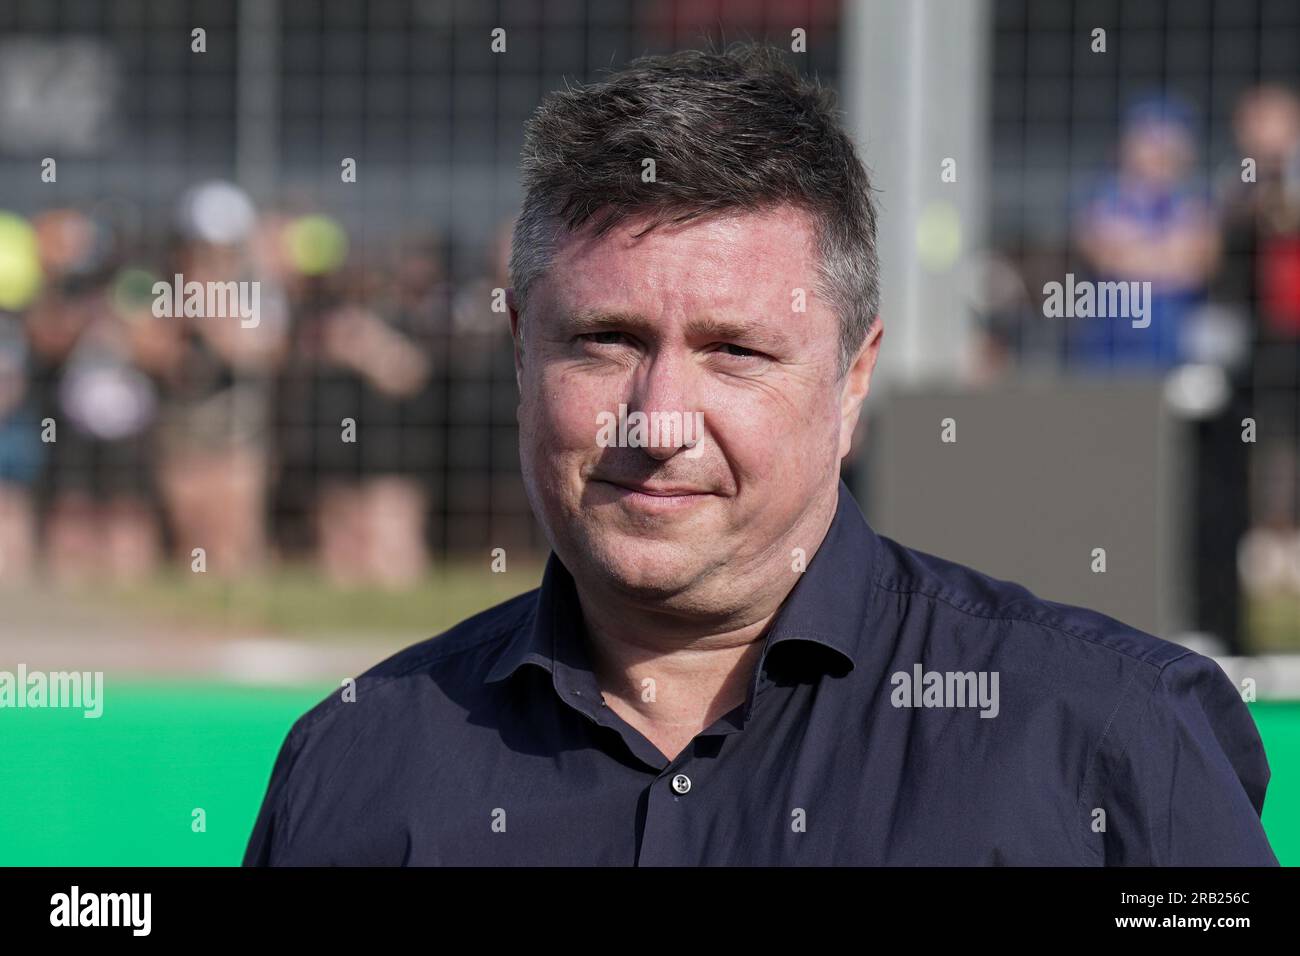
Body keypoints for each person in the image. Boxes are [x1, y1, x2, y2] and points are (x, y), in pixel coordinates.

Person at [245, 44, 1277, 866]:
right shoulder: (352, 765)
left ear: (852, 378)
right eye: (605, 340)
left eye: (734, 352)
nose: (658, 422)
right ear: (520, 348)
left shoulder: (1112, 740)